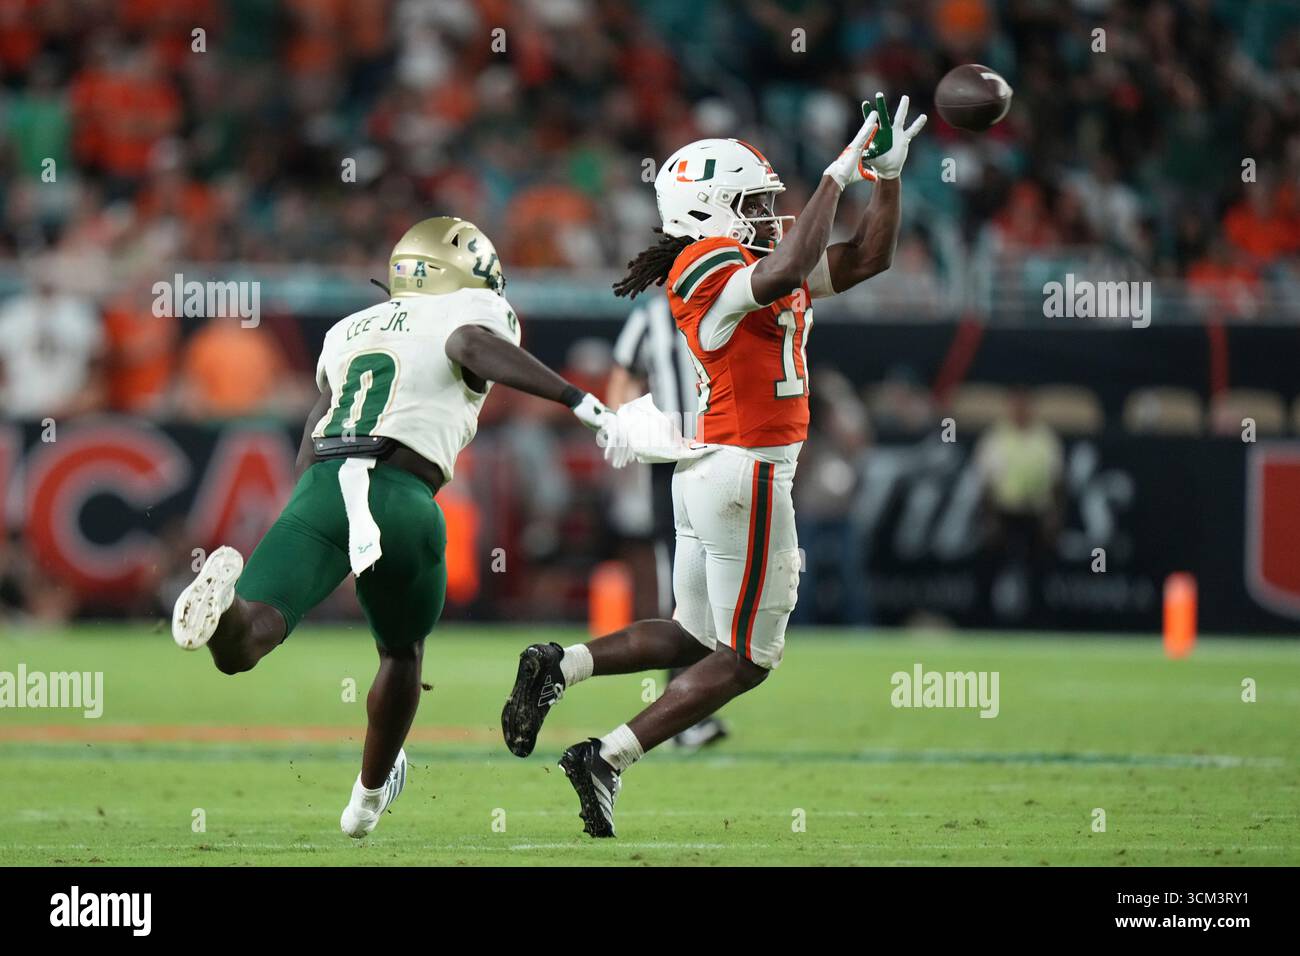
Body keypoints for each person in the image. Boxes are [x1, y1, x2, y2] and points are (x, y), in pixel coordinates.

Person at [501, 94, 927, 837]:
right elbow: (795, 259)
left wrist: (885, 179)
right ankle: (607, 756)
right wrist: (836, 173)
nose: (770, 215)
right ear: (706, 210)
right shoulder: (703, 264)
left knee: (695, 636)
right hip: (746, 470)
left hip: (716, 469)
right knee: (750, 659)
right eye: (754, 203)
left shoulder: (750, 259)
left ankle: (559, 665)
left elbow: (867, 258)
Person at [170, 217, 615, 838]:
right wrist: (579, 400)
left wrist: (306, 505)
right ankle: (367, 800)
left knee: (247, 643)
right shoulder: (473, 311)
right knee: (401, 654)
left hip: (324, 482)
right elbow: (470, 346)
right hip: (402, 495)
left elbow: (315, 419)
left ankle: (224, 614)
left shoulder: (349, 327)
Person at [607, 294, 728, 749]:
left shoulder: (729, 299)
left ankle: (691, 706)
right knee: (680, 582)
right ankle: (683, 712)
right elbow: (622, 376)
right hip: (674, 461)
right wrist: (627, 427)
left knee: (719, 583)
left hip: (725, 453)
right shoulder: (653, 315)